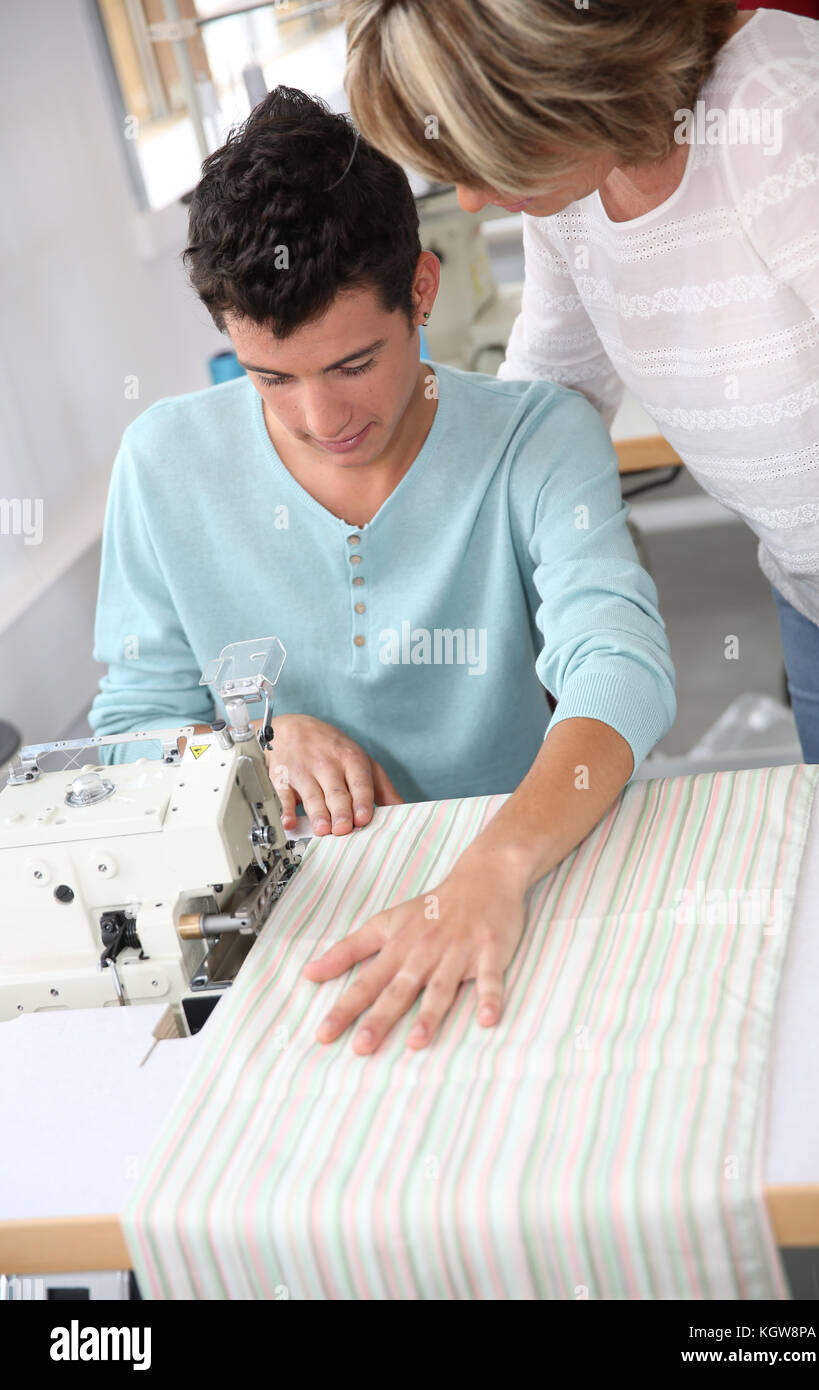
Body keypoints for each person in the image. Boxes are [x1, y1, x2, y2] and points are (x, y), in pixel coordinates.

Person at [88, 88, 674, 1055]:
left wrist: (490, 875)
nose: (322, 419)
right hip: (291, 915)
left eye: (353, 363)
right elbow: (123, 735)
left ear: (423, 290)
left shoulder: (536, 437)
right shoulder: (162, 461)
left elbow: (622, 669)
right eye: (271, 377)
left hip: (518, 868)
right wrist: (256, 743)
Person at [343, 0, 819, 765]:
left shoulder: (785, 113)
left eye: (487, 156)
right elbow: (554, 389)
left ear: (568, 81)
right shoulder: (575, 179)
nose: (471, 200)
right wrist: (413, 543)